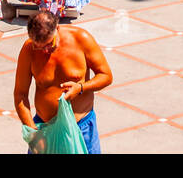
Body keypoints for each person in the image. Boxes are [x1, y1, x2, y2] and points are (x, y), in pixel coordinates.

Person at [14, 10, 113, 154]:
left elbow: (106, 76)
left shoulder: (81, 39)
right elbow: (20, 95)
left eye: (49, 44)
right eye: (39, 47)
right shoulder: (29, 49)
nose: (45, 51)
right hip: (45, 129)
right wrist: (33, 134)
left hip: (81, 128)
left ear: (58, 28)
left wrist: (81, 87)